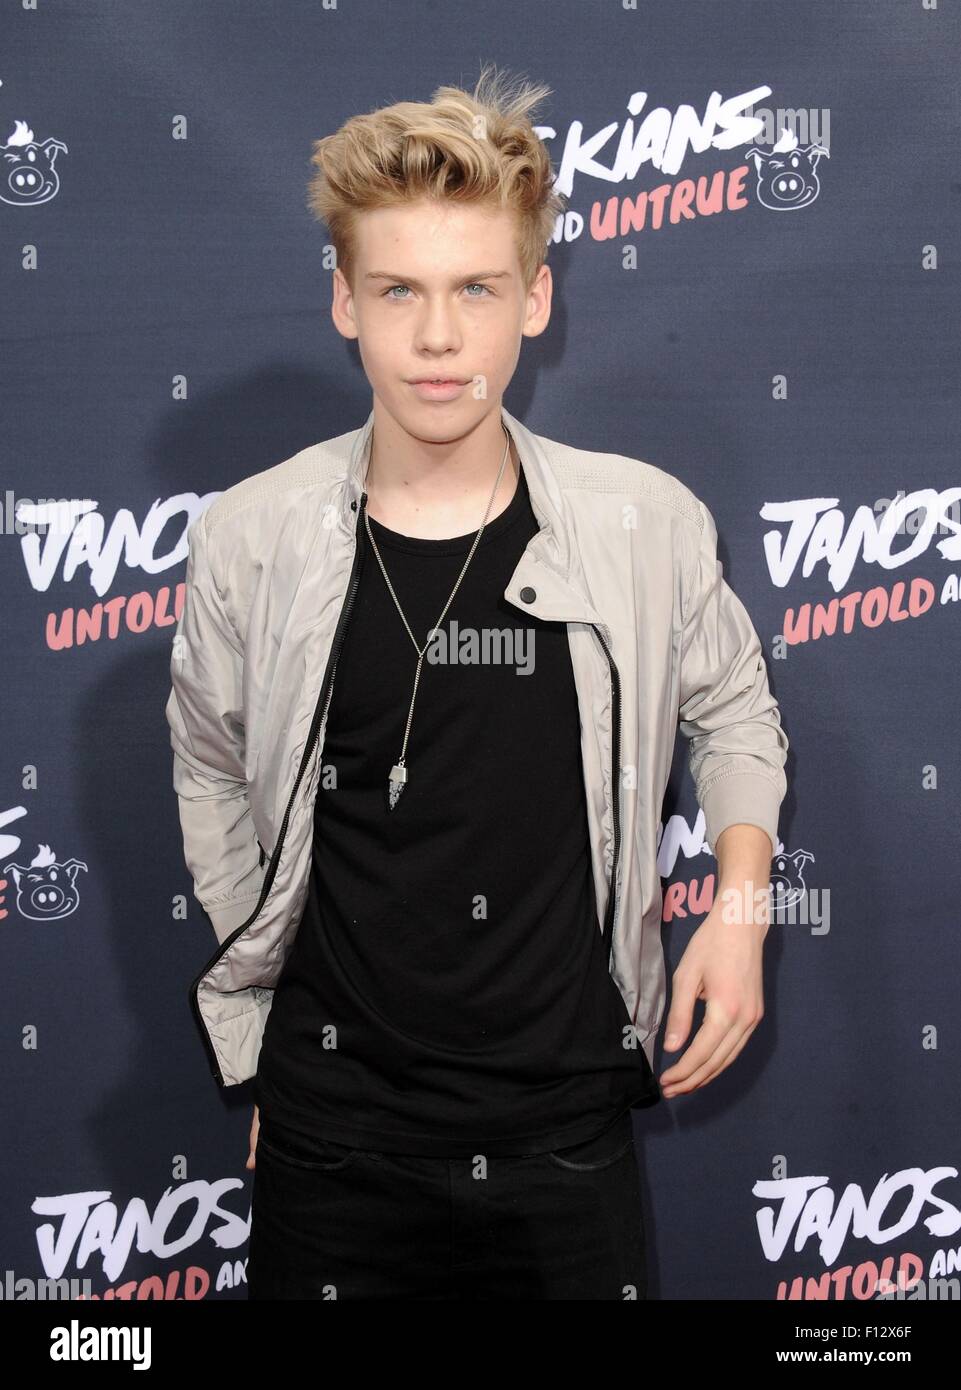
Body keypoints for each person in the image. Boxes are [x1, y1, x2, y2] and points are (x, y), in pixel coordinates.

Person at [165, 64, 789, 1300]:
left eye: (476, 291)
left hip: (567, 1131)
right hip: (330, 1137)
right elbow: (211, 765)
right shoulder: (253, 535)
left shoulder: (640, 524)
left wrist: (743, 904)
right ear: (344, 301)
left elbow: (731, 710)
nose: (438, 339)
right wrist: (277, 1042)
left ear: (536, 300)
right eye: (398, 290)